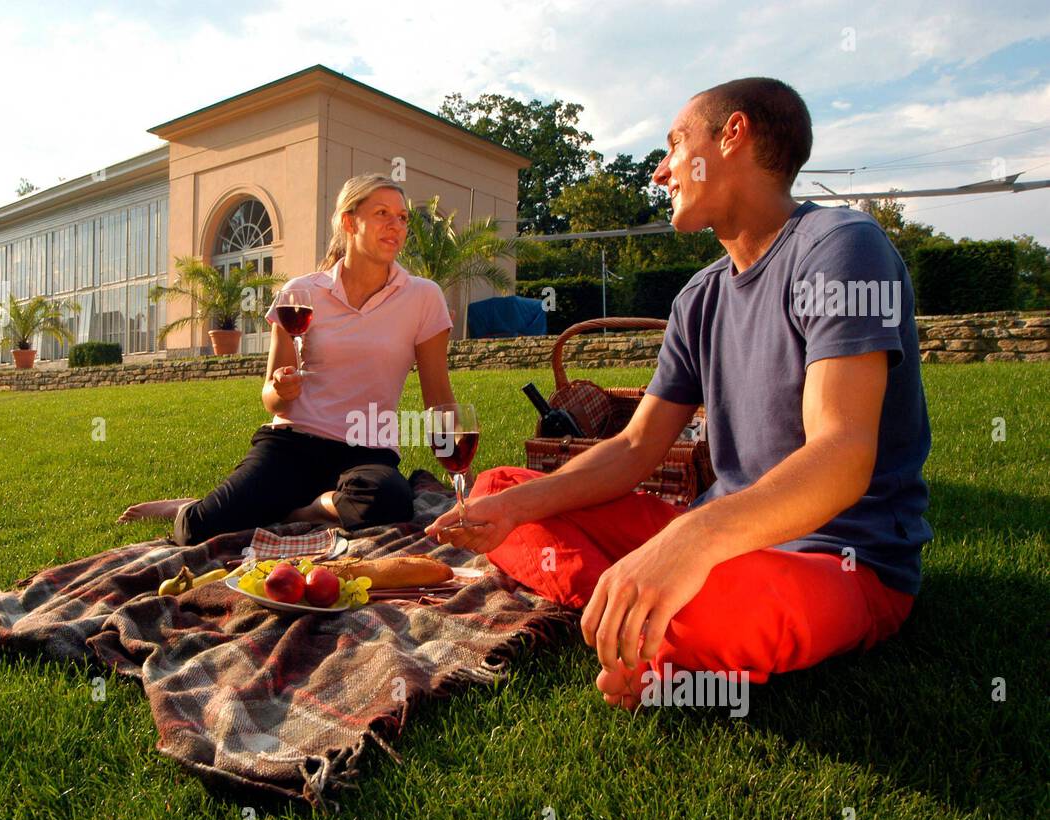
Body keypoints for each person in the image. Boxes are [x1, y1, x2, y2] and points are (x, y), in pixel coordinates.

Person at [426, 77, 932, 710]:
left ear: (733, 134)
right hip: (714, 533)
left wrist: (691, 542)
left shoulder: (840, 248)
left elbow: (843, 454)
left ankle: (645, 614)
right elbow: (635, 447)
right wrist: (524, 508)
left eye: (675, 144)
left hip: (835, 560)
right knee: (500, 491)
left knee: (713, 603)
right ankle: (635, 611)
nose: (663, 170)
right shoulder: (700, 297)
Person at [119, 173, 456, 544]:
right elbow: (270, 397)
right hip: (294, 442)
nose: (396, 225)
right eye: (381, 213)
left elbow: (437, 395)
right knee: (196, 530)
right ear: (349, 222)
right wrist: (281, 388)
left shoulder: (423, 297)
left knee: (389, 501)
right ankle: (190, 505)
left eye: (403, 217)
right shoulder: (300, 294)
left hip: (368, 448)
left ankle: (298, 510)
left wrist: (459, 466)